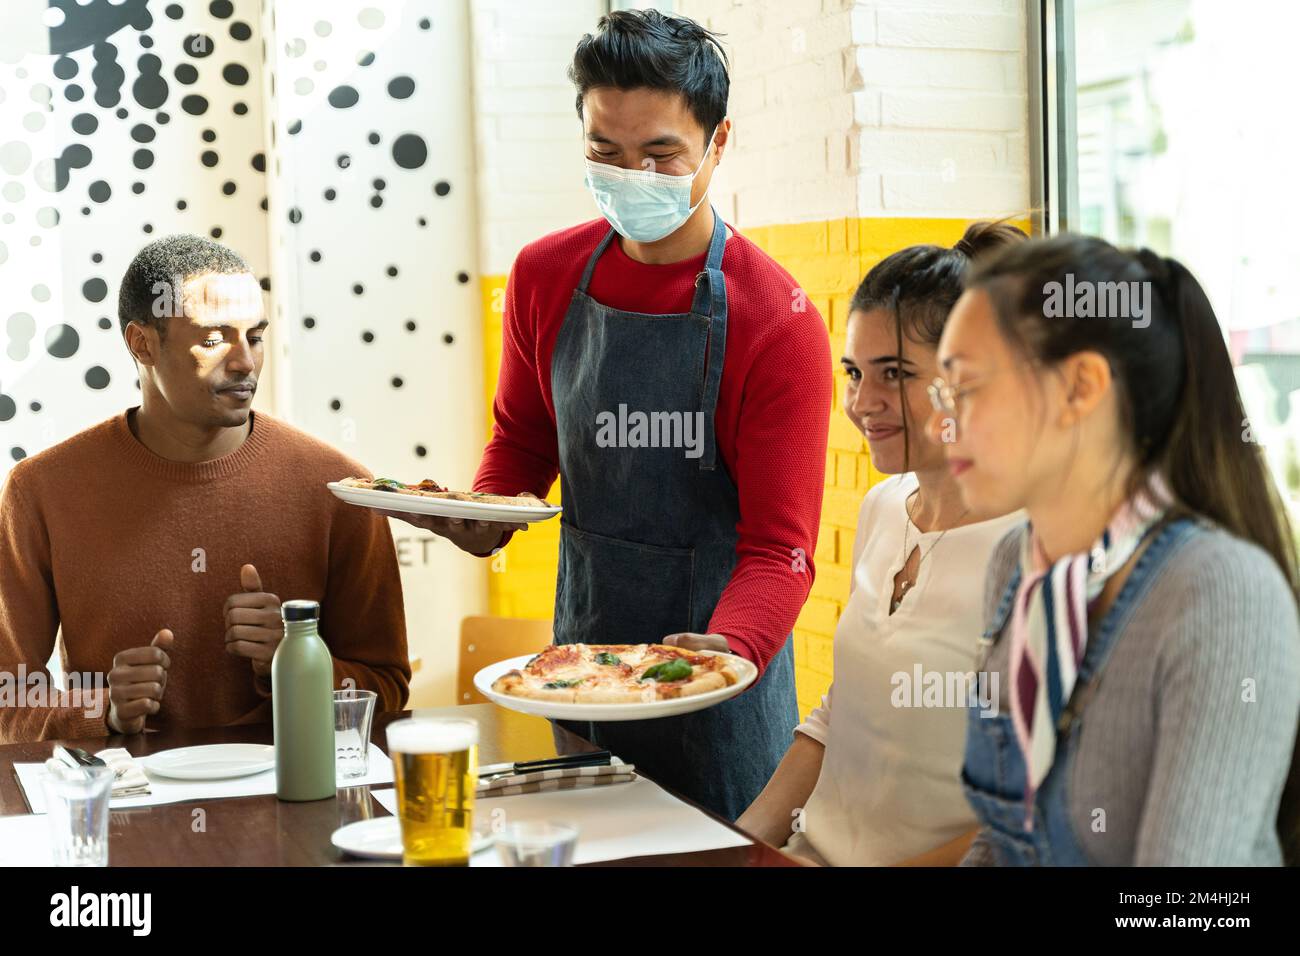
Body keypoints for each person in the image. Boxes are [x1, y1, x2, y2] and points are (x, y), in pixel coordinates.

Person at [386, 10, 831, 820]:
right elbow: (521, 443)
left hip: (719, 687)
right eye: (605, 154)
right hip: (581, 669)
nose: (633, 175)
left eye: (661, 154)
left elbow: (782, 550)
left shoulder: (779, 319)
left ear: (718, 143)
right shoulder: (543, 275)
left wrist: (725, 655)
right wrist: (489, 511)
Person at [932, 233, 1300, 864]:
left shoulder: (1220, 592)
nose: (947, 424)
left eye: (967, 388)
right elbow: (1002, 839)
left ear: (1080, 387)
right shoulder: (1015, 565)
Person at [0, 234, 410, 743]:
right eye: (214, 339)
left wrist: (294, 662)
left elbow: (389, 689)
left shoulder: (341, 489)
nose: (244, 362)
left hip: (295, 799)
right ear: (141, 343)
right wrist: (101, 710)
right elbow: (8, 699)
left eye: (254, 337)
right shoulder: (41, 491)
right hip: (129, 811)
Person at [737, 221, 1028, 864]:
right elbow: (842, 712)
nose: (862, 403)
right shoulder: (883, 507)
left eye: (893, 373)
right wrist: (737, 845)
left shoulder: (1039, 556)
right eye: (853, 373)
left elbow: (1028, 825)